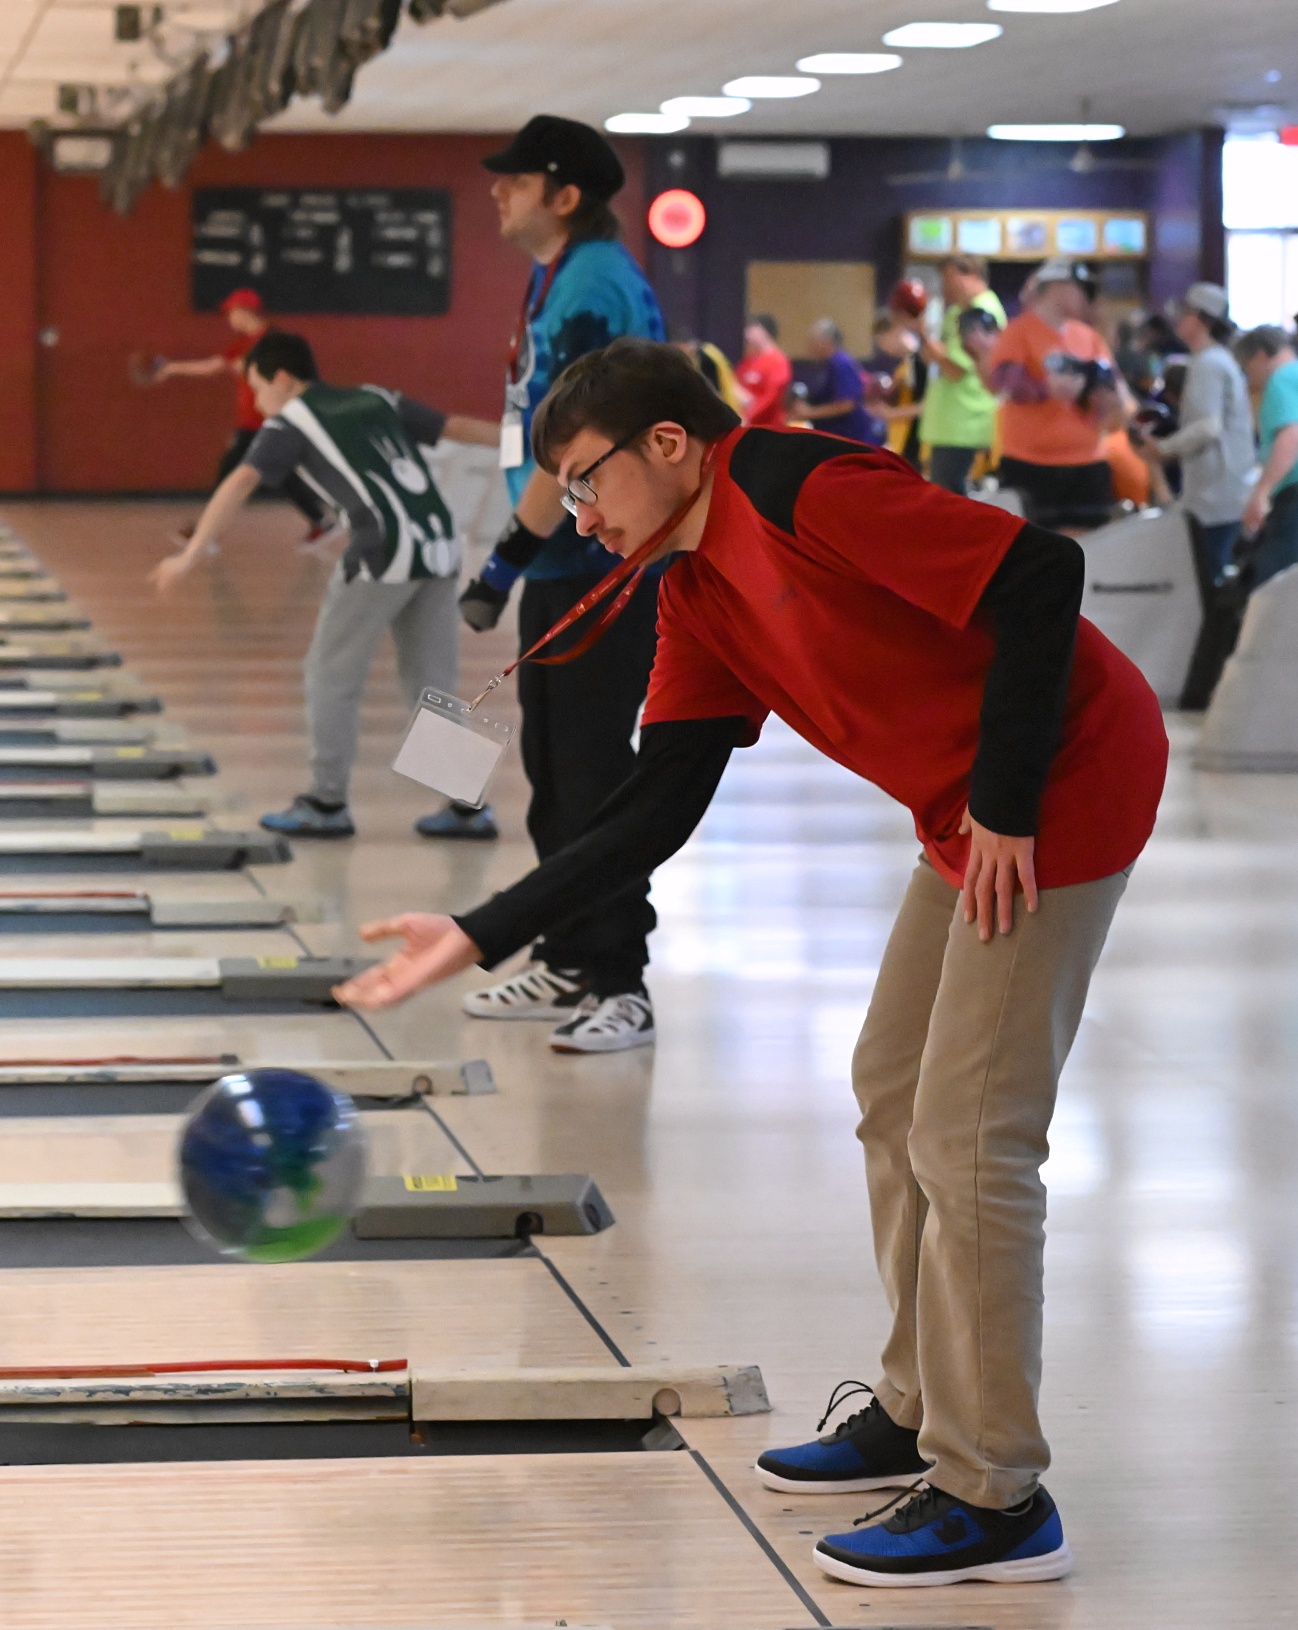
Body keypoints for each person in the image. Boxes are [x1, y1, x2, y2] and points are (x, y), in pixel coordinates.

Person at [334, 338, 1168, 1589]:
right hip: (967, 806)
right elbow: (651, 809)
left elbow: (1040, 572)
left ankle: (995, 1490)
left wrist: (1005, 803)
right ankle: (916, 1407)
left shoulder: (798, 487)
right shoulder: (693, 589)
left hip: (1059, 779)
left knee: (968, 1136)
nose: (579, 514)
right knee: (891, 1089)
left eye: (587, 480)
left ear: (669, 444)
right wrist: (478, 928)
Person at [452, 115, 666, 1053]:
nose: (498, 192)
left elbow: (576, 445)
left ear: (565, 195)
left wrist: (503, 561)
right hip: (563, 557)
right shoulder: (558, 274)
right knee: (552, 772)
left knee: (593, 777)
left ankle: (621, 981)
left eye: (517, 180)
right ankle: (572, 954)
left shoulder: (593, 287)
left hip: (600, 560)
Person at [148, 331, 500, 838]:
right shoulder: (376, 396)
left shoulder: (292, 420)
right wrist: (540, 443)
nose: (257, 402)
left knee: (330, 675)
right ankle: (469, 809)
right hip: (441, 545)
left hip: (382, 550)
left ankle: (326, 801)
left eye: (256, 388)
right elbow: (457, 427)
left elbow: (241, 480)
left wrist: (191, 552)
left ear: (282, 379)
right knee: (430, 680)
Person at [147, 289, 336, 550]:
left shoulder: (272, 340)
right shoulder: (242, 343)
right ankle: (320, 521)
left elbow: (290, 377)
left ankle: (205, 534)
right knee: (281, 474)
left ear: (245, 311)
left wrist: (251, 370)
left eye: (231, 312)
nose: (230, 319)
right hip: (252, 422)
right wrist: (172, 368)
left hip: (264, 420)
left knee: (232, 473)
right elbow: (214, 365)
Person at [975, 258, 1130, 530]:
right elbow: (1002, 381)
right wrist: (1046, 388)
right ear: (1057, 287)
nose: (1084, 296)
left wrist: (1105, 397)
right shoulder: (1018, 332)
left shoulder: (1089, 337)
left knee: (1091, 543)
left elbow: (1115, 388)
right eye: (1079, 288)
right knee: (1035, 543)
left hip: (1087, 462)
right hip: (1031, 463)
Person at [1134, 284, 1253, 579]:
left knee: (1205, 580)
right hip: (1223, 494)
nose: (1178, 319)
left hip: (1213, 497)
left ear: (1203, 319)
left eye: (1185, 312)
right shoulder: (1216, 360)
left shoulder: (1208, 363)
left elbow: (1207, 427)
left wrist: (1162, 448)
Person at [916, 255, 1006, 494]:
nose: (944, 286)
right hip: (949, 421)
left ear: (972, 275)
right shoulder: (957, 310)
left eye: (949, 278)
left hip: (963, 421)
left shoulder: (981, 313)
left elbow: (955, 369)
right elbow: (933, 357)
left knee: (948, 497)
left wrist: (922, 332)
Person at [1236, 325, 1298, 587]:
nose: (1250, 379)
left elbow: (1290, 436)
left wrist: (1262, 493)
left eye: (1247, 368)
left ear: (1261, 356)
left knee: (1272, 585)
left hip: (1293, 497)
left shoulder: (1281, 378)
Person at [862, 303, 927, 464]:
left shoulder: (920, 361)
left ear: (896, 330)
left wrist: (891, 413)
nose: (883, 348)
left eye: (881, 341)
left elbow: (928, 405)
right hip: (907, 440)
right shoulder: (905, 364)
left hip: (921, 443)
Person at [797, 319, 877, 444]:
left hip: (850, 437)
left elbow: (846, 404)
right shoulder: (829, 363)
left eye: (812, 341)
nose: (809, 347)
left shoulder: (841, 363)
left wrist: (810, 412)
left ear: (826, 341)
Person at [736, 314, 792, 428]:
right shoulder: (748, 362)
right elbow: (733, 384)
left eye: (752, 328)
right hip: (745, 426)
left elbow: (771, 395)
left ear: (764, 332)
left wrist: (747, 416)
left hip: (767, 428)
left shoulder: (778, 361)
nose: (747, 332)